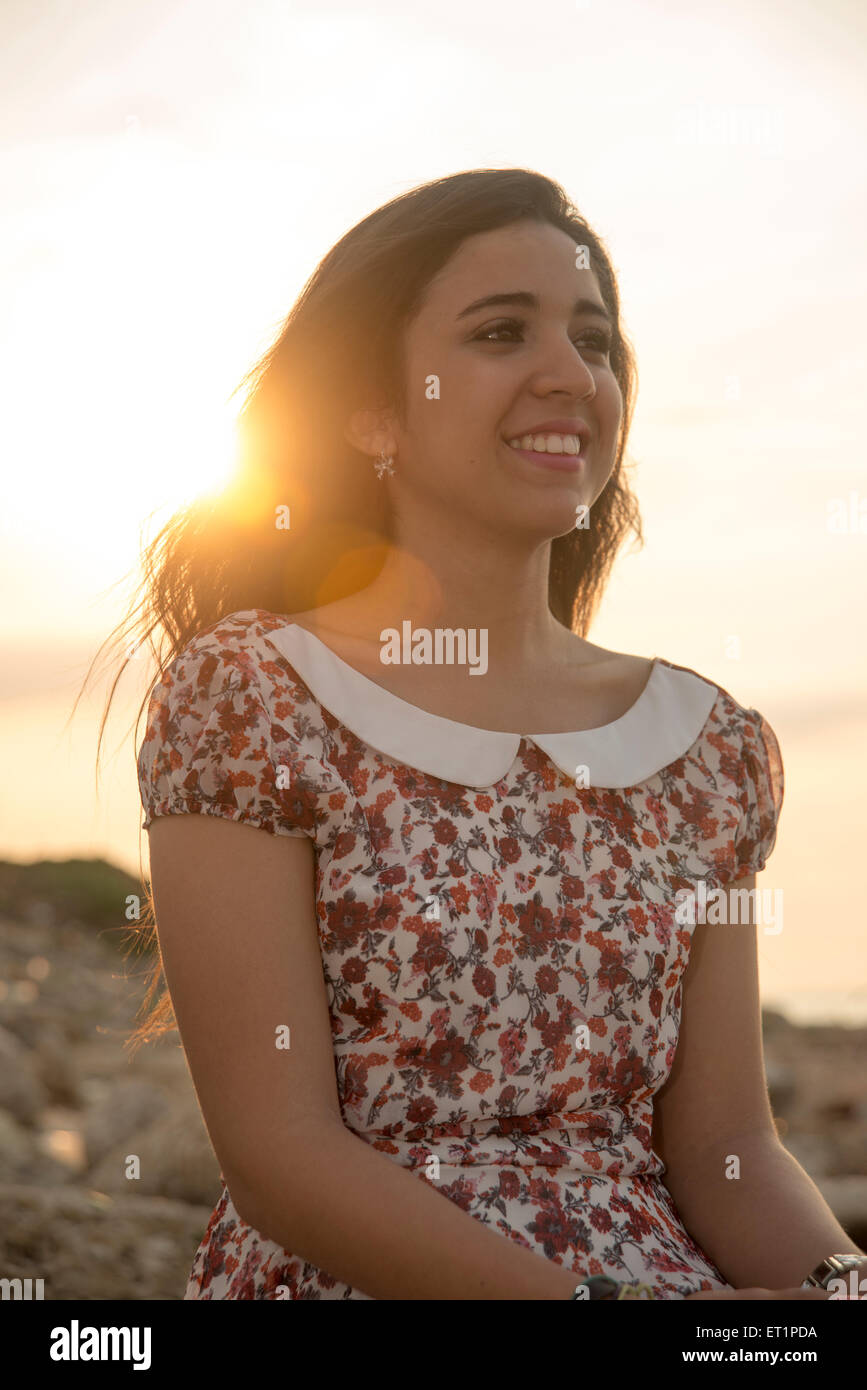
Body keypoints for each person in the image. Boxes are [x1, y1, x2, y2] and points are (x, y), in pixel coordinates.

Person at [104, 169, 864, 1299]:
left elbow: (728, 1153)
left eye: (596, 341)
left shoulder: (711, 750)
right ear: (370, 409)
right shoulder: (254, 697)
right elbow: (282, 1160)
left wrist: (835, 1295)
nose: (574, 375)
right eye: (502, 332)